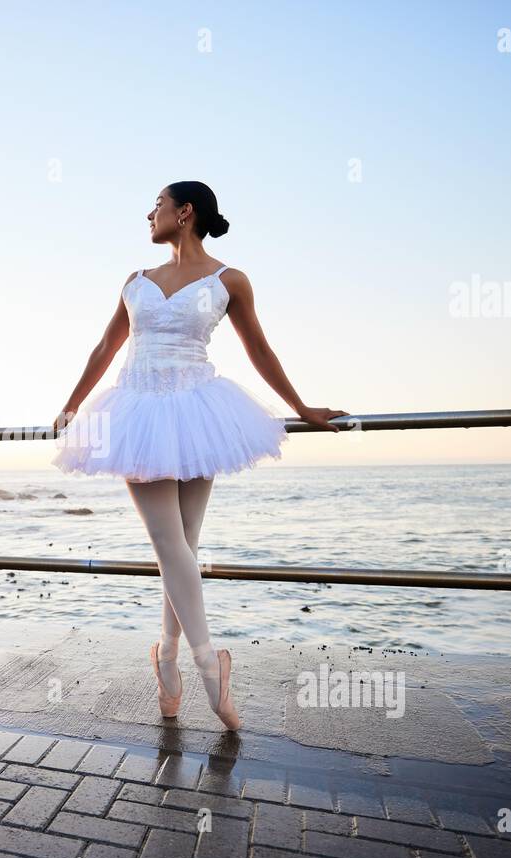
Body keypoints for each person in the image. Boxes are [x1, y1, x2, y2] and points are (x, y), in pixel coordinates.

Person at [50, 181, 347, 731]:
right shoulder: (135, 281)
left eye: (157, 205)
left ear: (184, 213)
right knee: (170, 544)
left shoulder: (228, 280)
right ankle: (208, 668)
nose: (149, 214)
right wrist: (71, 407)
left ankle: (167, 657)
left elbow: (259, 348)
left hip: (198, 411)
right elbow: (105, 347)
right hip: (137, 410)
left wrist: (301, 407)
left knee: (181, 546)